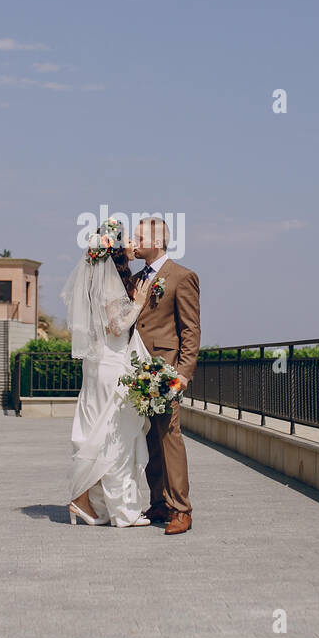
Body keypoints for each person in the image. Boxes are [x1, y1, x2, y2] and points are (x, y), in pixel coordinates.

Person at [60, 222, 153, 528]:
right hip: (111, 365)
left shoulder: (91, 283)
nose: (131, 243)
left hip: (95, 366)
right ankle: (120, 511)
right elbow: (117, 327)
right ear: (115, 251)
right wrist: (138, 305)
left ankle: (84, 501)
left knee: (94, 432)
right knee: (116, 436)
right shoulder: (111, 284)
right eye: (126, 239)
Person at [132, 216, 200, 536]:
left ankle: (180, 509)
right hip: (139, 372)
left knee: (169, 437)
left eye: (139, 236)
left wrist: (183, 373)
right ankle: (158, 501)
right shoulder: (136, 280)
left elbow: (190, 330)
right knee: (150, 438)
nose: (134, 241)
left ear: (157, 242)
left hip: (166, 370)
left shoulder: (182, 277)